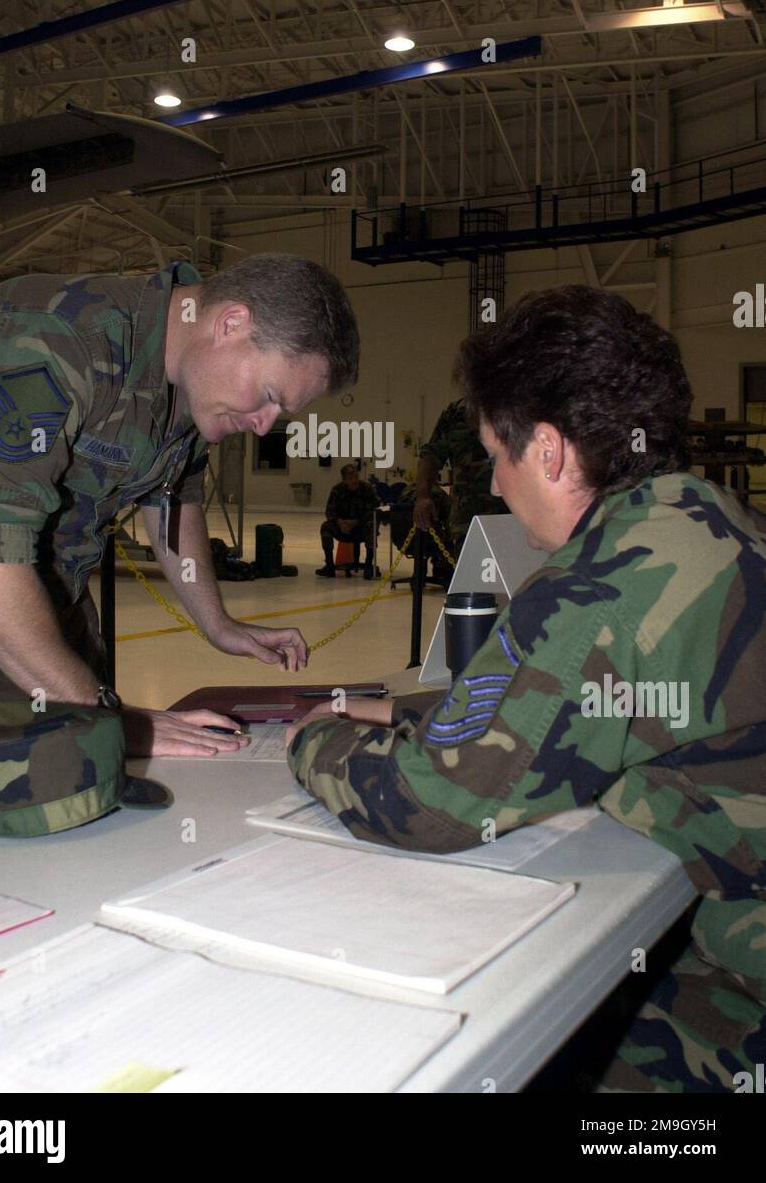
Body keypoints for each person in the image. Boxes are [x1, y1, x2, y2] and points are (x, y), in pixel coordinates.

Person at [286, 285, 766, 1094]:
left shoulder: (597, 588)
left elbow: (431, 806)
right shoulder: (707, 516)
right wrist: (408, 709)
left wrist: (311, 741)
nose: (496, 485)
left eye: (495, 456)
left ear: (547, 451)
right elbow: (582, 695)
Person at [0, 253, 359, 792]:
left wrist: (217, 624)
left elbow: (172, 498)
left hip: (47, 613)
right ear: (231, 323)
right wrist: (107, 720)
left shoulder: (190, 375)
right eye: (268, 397)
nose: (265, 425)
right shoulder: (58, 340)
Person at [414, 395, 506, 559]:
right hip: (468, 521)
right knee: (470, 573)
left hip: (514, 519)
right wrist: (422, 496)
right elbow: (431, 457)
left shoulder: (521, 406)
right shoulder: (456, 413)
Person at [316, 463, 378, 579]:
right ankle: (329, 565)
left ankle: (369, 565)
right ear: (344, 480)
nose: (354, 480)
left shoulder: (367, 489)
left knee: (372, 526)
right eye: (350, 478)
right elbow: (329, 511)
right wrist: (339, 522)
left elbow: (373, 510)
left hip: (361, 527)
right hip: (342, 528)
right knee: (326, 527)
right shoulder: (337, 490)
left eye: (356, 477)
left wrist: (356, 522)